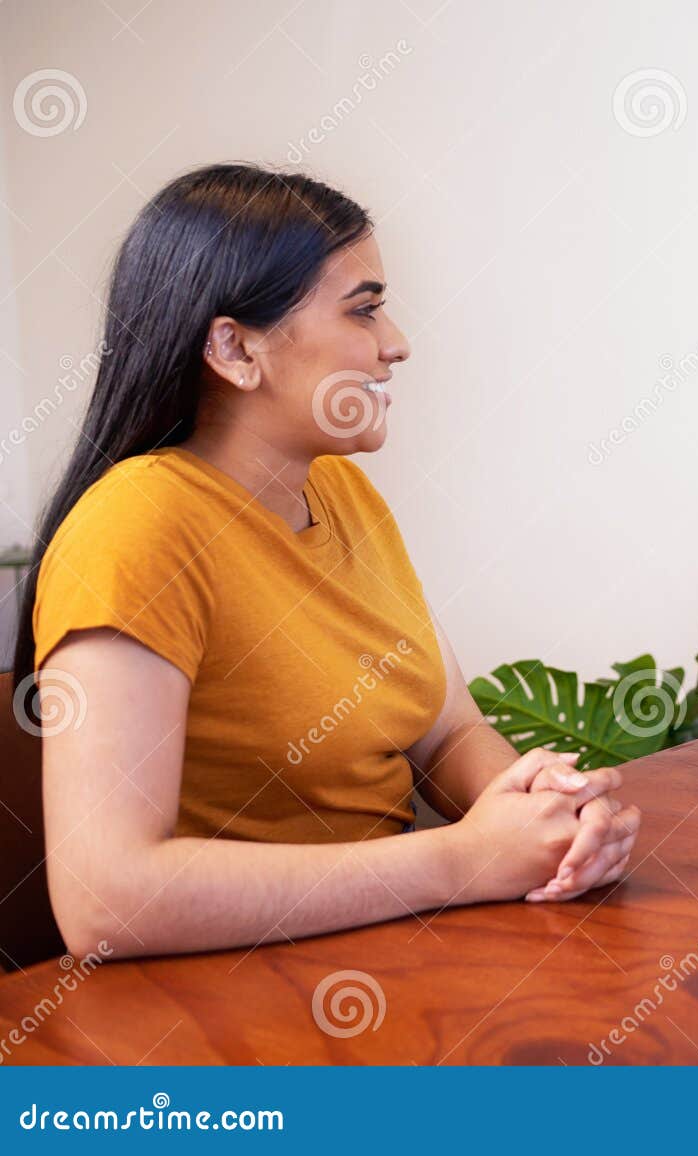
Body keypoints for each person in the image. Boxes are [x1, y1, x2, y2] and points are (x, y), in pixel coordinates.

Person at [13, 163, 640, 960]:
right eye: (364, 310)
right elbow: (108, 902)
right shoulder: (136, 525)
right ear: (235, 348)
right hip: (220, 1003)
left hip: (381, 953)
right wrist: (462, 860)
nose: (396, 344)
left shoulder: (342, 491)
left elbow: (446, 732)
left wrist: (536, 804)